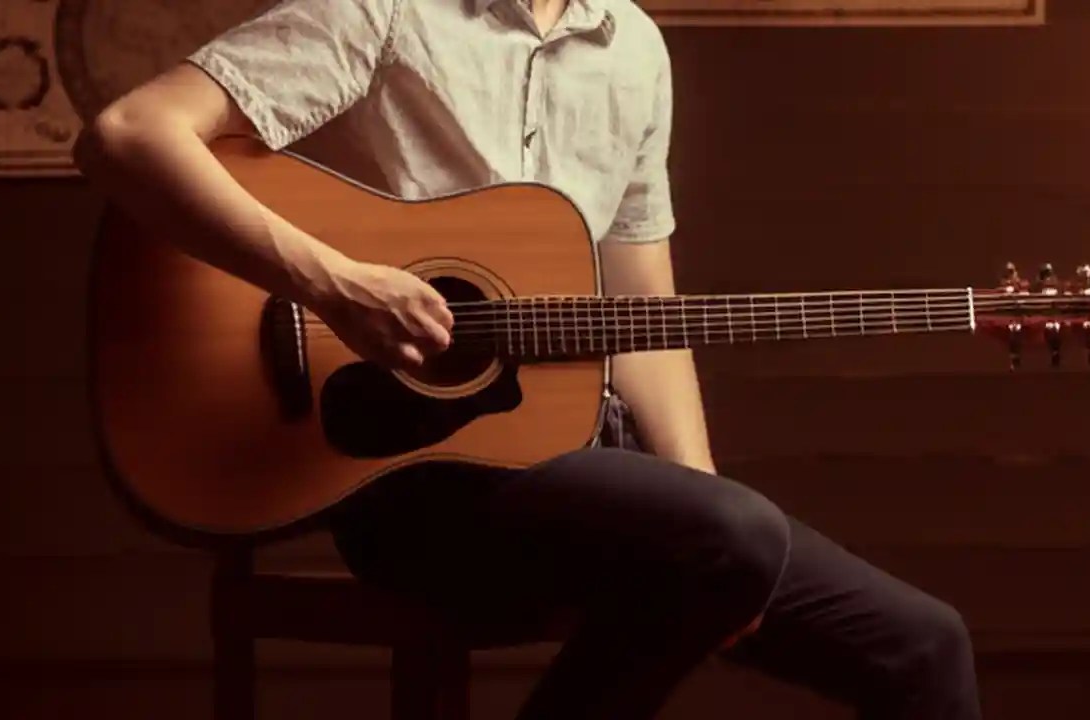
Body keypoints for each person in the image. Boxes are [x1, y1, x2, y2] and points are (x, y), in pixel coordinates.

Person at [73, 1, 982, 718]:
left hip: (600, 473)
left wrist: (708, 513)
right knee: (728, 537)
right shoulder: (383, 10)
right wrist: (337, 285)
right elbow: (128, 135)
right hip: (413, 481)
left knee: (924, 646)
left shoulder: (632, 48)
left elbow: (641, 316)